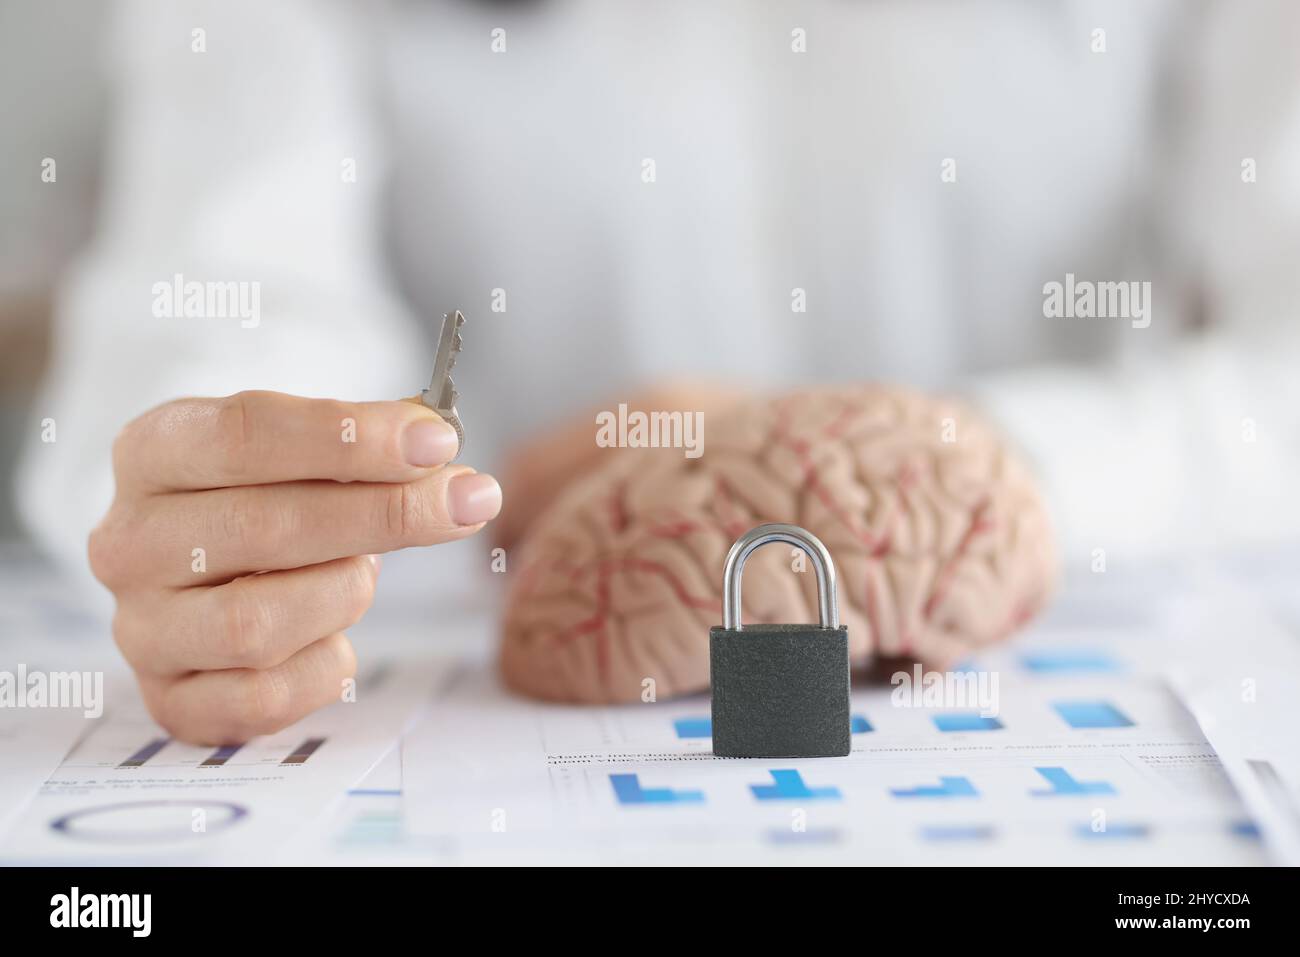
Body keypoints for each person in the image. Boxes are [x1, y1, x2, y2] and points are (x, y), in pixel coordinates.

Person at [17, 0, 1300, 742]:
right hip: (507, 677)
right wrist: (228, 505)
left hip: (1070, 661)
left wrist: (970, 470)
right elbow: (224, 299)